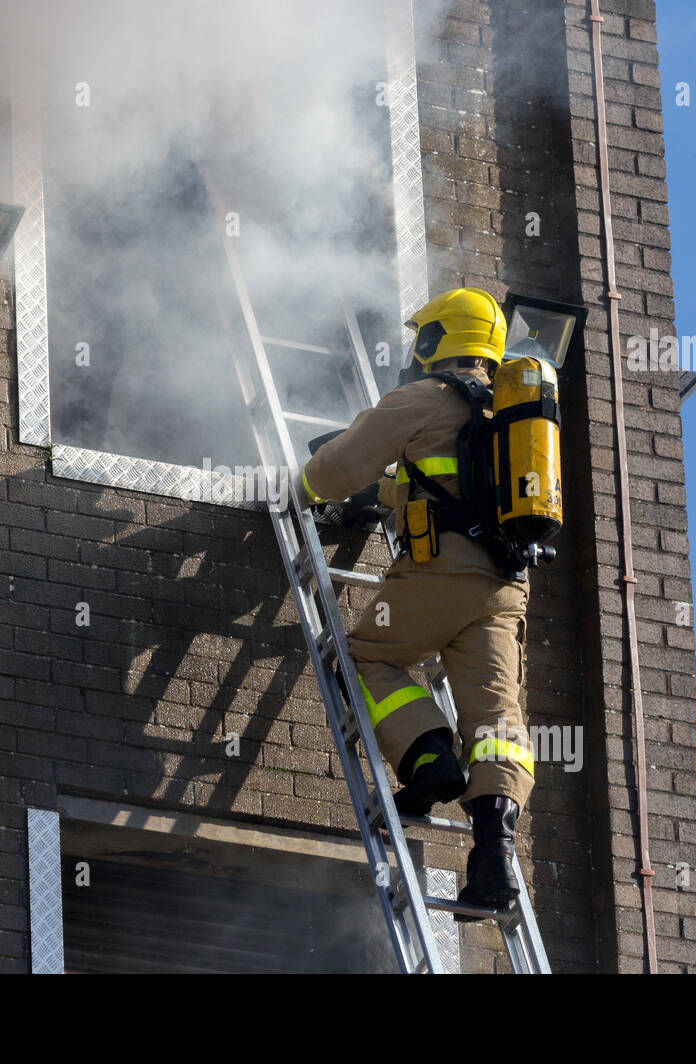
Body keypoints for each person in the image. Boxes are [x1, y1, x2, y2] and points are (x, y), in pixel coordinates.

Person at [298, 287, 535, 916]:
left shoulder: (423, 399)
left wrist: (302, 481)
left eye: (420, 336)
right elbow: (435, 480)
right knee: (497, 720)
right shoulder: (509, 416)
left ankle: (427, 759)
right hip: (506, 588)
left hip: (438, 575)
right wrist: (381, 494)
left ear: (435, 341)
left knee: (364, 655)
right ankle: (494, 860)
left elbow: (335, 471)